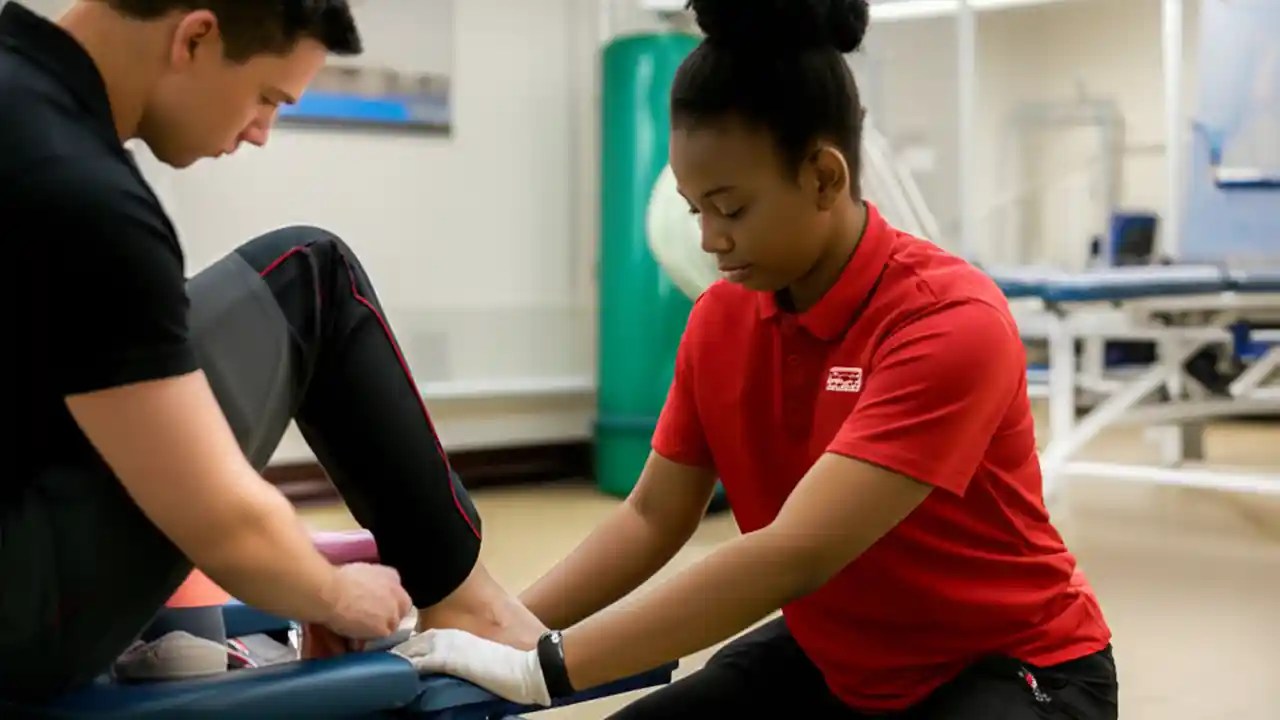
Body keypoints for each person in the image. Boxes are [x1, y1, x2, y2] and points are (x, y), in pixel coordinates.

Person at [391, 1, 1120, 718]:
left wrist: (545, 668)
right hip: (844, 654)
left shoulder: (948, 321)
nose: (710, 239)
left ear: (825, 178)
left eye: (732, 209)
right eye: (695, 209)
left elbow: (795, 553)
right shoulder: (721, 318)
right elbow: (651, 515)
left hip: (1009, 665)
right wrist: (498, 626)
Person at [0, 0, 544, 701]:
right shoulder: (83, 191)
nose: (261, 132)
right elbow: (223, 521)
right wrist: (333, 594)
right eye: (267, 97)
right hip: (19, 630)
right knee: (312, 275)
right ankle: (467, 604)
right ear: (196, 37)